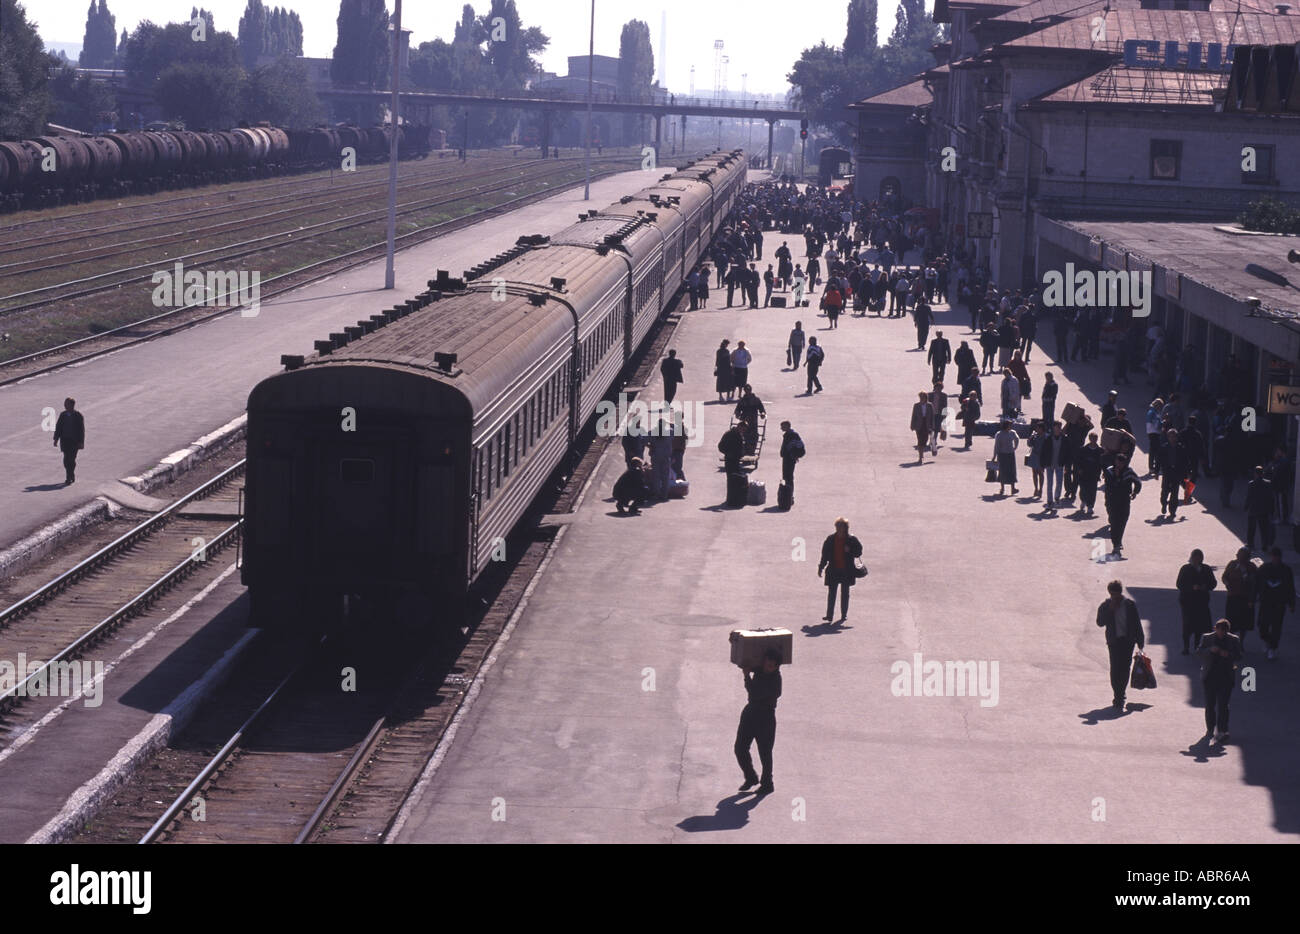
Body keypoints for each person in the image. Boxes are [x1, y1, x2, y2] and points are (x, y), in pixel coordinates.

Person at [735, 647, 782, 796]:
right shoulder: (760, 670)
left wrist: (746, 676)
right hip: (750, 714)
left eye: (770, 665)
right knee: (740, 748)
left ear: (776, 666)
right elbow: (742, 659)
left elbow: (754, 693)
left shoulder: (775, 681)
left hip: (765, 718)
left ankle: (767, 783)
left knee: (765, 753)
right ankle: (751, 777)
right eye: (765, 663)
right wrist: (735, 644)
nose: (766, 667)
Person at [1096, 580, 1145, 711]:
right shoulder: (1105, 606)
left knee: (1125, 668)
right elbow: (1100, 622)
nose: (1114, 597)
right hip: (1114, 642)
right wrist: (1110, 611)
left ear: (1120, 593)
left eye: (1116, 595)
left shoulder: (1129, 605)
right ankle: (1117, 694)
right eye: (1112, 595)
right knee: (1115, 669)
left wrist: (1140, 641)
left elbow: (1136, 623)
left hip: (1128, 642)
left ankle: (1121, 694)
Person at [1197, 619, 1242, 742]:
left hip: (1226, 677)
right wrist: (1210, 650)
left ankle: (1222, 730)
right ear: (1215, 628)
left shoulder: (1234, 640)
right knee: (1210, 705)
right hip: (1210, 676)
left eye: (1224, 631)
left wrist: (1228, 655)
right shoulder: (1207, 638)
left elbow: (1239, 656)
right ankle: (1210, 728)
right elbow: (1199, 652)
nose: (1221, 633)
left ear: (1227, 631)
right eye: (1219, 630)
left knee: (1223, 705)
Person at [817, 517, 864, 623]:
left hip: (846, 571)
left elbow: (859, 552)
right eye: (837, 526)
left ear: (845, 528)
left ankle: (844, 615)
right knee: (831, 593)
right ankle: (829, 615)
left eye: (840, 527)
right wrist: (821, 567)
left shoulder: (851, 539)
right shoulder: (830, 539)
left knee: (845, 594)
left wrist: (850, 550)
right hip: (833, 570)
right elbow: (824, 555)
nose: (838, 529)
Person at [1256, 546, 1295, 659]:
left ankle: (1272, 648)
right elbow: (1257, 583)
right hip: (1265, 602)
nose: (1275, 559)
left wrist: (1291, 604)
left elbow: (1290, 587)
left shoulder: (1286, 570)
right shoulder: (1264, 568)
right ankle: (1267, 640)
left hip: (1279, 603)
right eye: (1273, 557)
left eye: (1277, 557)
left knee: (1276, 627)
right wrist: (1253, 597)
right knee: (1262, 625)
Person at [1176, 549, 1217, 655]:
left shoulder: (1206, 569)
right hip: (1188, 603)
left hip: (1202, 602)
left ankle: (1197, 645)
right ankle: (1186, 647)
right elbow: (1179, 584)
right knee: (1187, 625)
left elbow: (1213, 583)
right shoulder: (1185, 569)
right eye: (1195, 558)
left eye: (1199, 558)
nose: (1197, 560)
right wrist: (1191, 587)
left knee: (1199, 626)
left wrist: (1205, 586)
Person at [1103, 454, 1142, 557]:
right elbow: (1109, 485)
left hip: (1124, 500)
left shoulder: (1129, 472)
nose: (1119, 464)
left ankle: (1117, 543)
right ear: (1115, 461)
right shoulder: (1109, 471)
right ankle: (1116, 545)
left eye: (1122, 462)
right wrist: (1116, 476)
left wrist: (1135, 492)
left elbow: (1138, 482)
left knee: (1122, 521)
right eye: (1118, 462)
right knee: (1114, 522)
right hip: (1112, 500)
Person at [1221, 548, 1257, 650]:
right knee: (1231, 621)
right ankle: (1232, 641)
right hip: (1233, 597)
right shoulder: (1232, 565)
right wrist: (1227, 583)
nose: (1240, 559)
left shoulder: (1252, 567)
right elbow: (1224, 577)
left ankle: (1241, 642)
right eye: (1239, 556)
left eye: (1243, 557)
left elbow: (1254, 584)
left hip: (1245, 598)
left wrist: (1252, 600)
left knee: (1244, 623)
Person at [1158, 428, 1190, 521]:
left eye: (1174, 436)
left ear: (1176, 437)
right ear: (1168, 437)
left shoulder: (1181, 448)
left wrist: (1187, 473)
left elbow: (1185, 461)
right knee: (1165, 491)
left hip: (1177, 473)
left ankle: (1172, 510)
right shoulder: (1164, 447)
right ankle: (1164, 504)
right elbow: (1159, 460)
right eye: (1170, 436)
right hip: (1167, 473)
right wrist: (1156, 471)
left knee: (1174, 494)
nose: (1172, 438)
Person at [53, 397, 85, 486]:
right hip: (65, 441)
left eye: (67, 404)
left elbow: (81, 430)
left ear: (72, 405)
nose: (65, 405)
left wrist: (81, 442)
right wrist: (56, 439)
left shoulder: (78, 415)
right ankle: (70, 475)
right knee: (66, 459)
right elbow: (58, 427)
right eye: (65, 404)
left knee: (71, 459)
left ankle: (69, 476)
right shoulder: (62, 415)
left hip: (74, 441)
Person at [1245, 465, 1276, 551]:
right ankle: (1264, 545)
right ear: (1262, 474)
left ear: (1255, 474)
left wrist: (1246, 507)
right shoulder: (1268, 483)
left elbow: (1249, 497)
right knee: (1263, 529)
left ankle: (1250, 544)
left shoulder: (1251, 484)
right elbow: (1271, 498)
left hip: (1253, 509)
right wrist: (1272, 509)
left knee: (1251, 528)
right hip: (1264, 510)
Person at [1041, 420, 1071, 508]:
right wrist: (1042, 464)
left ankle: (1057, 498)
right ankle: (1050, 501)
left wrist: (1067, 465)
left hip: (1060, 464)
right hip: (1049, 464)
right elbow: (1043, 452)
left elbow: (1068, 454)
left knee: (1059, 483)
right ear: (1053, 428)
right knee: (1049, 483)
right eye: (1056, 428)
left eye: (1059, 428)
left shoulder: (1065, 439)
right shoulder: (1048, 439)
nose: (1057, 429)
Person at [1076, 432, 1103, 517]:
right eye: (1092, 438)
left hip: (1094, 474)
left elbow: (1102, 462)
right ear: (1089, 439)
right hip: (1083, 473)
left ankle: (1090, 506)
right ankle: (1083, 500)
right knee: (1083, 489)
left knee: (1092, 491)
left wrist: (1102, 472)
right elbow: (1078, 461)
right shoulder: (1083, 449)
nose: (1093, 440)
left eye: (1095, 438)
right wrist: (1079, 469)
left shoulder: (1100, 451)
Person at [778, 420, 804, 504]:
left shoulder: (792, 435)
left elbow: (799, 446)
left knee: (788, 477)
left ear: (788, 426)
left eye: (783, 426)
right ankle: (789, 495)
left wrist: (794, 455)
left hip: (789, 459)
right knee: (786, 477)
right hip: (787, 458)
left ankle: (790, 496)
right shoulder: (788, 435)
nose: (781, 428)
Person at [734, 385, 766, 454]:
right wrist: (737, 413)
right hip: (744, 421)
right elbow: (737, 409)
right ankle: (744, 451)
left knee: (753, 436)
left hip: (753, 421)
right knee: (743, 436)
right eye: (746, 390)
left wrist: (762, 414)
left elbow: (761, 409)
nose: (747, 391)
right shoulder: (742, 400)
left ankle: (751, 451)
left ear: (751, 390)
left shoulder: (756, 400)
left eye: (748, 390)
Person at [993, 419, 1019, 496]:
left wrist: (1015, 447)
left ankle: (1013, 488)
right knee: (1002, 471)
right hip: (1003, 455)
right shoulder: (999, 434)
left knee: (1012, 471)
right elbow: (996, 446)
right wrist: (994, 456)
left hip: (1010, 454)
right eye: (1009, 425)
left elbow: (1017, 439)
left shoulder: (1012, 432)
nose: (1010, 426)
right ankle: (1002, 488)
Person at [911, 391, 934, 464]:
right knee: (920, 440)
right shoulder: (916, 405)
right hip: (919, 425)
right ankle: (921, 456)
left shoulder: (930, 405)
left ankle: (922, 452)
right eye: (920, 397)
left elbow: (932, 416)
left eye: (923, 397)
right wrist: (912, 425)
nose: (921, 398)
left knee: (925, 440)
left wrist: (932, 426)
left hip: (926, 424)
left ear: (926, 397)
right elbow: (913, 416)